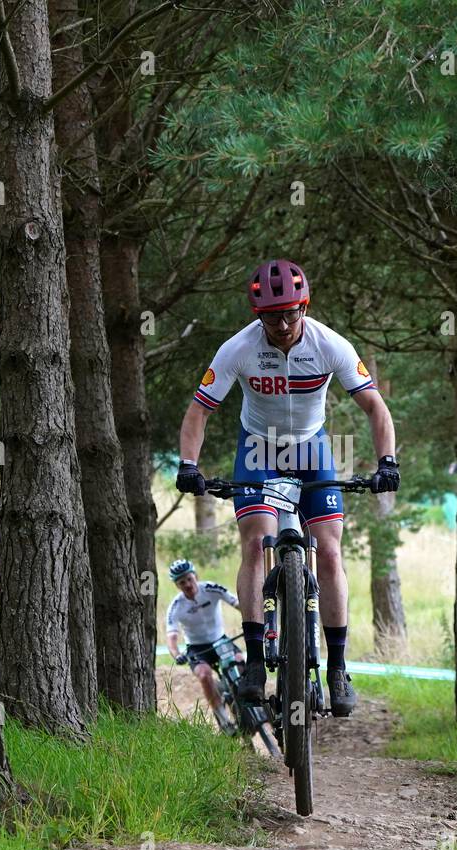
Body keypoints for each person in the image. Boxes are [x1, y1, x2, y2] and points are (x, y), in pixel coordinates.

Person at [174, 258, 400, 717]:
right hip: (257, 448)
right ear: (258, 316)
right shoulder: (238, 348)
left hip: (312, 447)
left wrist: (387, 462)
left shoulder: (329, 344)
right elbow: (199, 411)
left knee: (331, 551)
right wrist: (187, 464)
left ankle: (337, 666)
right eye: (270, 316)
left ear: (304, 307)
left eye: (290, 313)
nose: (281, 324)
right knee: (256, 543)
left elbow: (375, 408)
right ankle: (256, 661)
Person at [164, 558, 242, 734]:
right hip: (198, 649)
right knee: (204, 674)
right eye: (182, 582)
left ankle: (236, 694)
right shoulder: (176, 606)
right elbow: (172, 638)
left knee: (239, 660)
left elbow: (236, 603)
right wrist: (177, 655)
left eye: (189, 579)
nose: (188, 584)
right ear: (177, 586)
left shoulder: (211, 588)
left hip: (220, 640)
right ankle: (223, 719)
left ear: (196, 576)